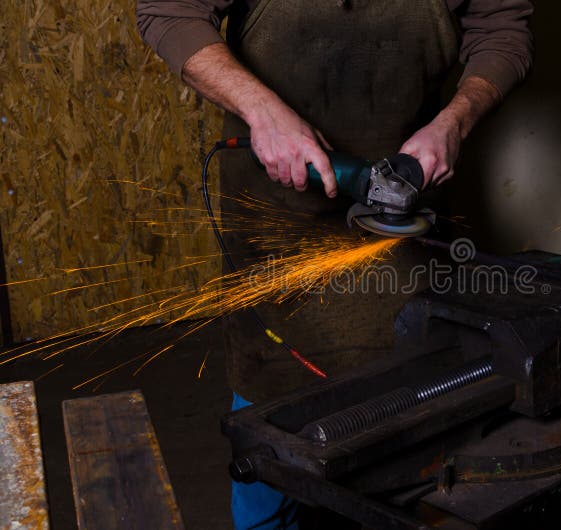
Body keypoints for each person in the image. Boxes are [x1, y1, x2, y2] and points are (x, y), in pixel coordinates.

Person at [137, 1, 533, 528]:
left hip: (408, 217)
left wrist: (454, 123)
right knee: (269, 439)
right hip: (277, 227)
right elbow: (166, 12)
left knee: (411, 445)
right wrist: (262, 110)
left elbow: (504, 27)